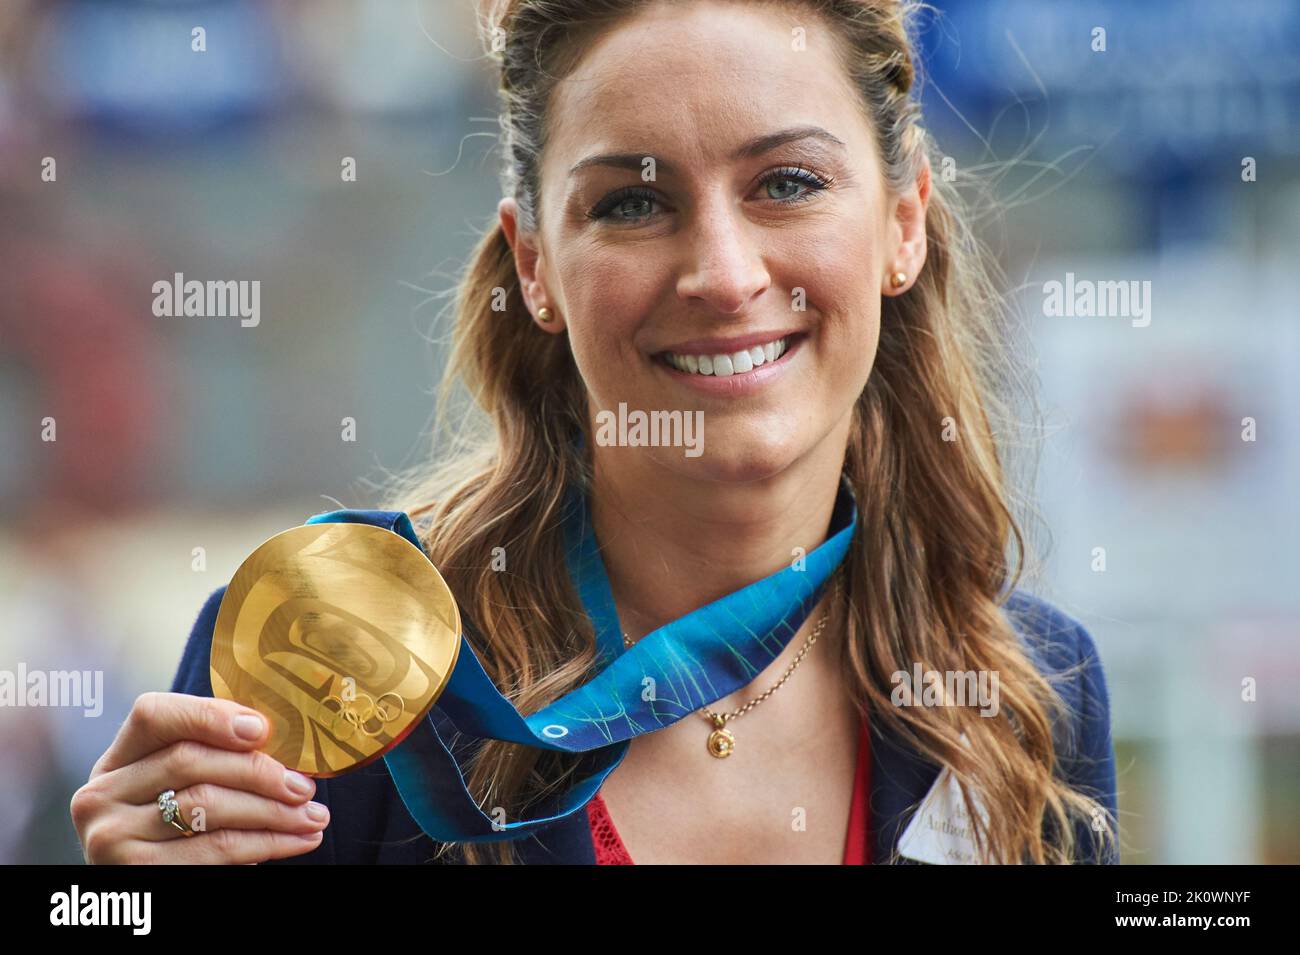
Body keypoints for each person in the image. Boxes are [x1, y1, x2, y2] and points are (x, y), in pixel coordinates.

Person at [71, 0, 1119, 865]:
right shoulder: (328, 651)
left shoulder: (1026, 694)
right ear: (533, 265)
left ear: (901, 224)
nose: (722, 272)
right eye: (630, 204)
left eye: (787, 185)